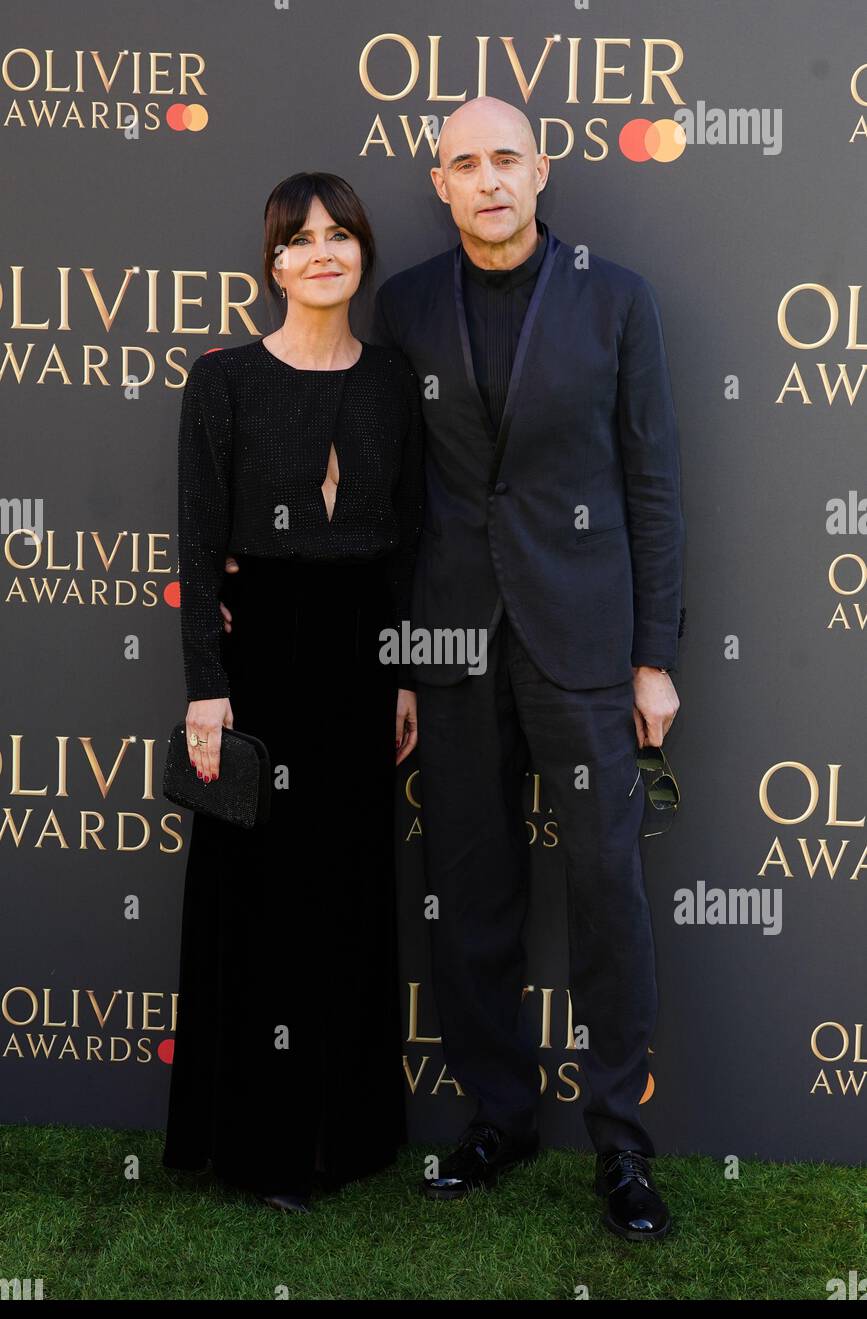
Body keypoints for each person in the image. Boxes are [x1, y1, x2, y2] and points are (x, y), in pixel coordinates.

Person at [368, 97, 686, 1240]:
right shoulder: (402, 305)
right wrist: (403, 659)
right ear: (439, 181)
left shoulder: (617, 297)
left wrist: (656, 656)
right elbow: (396, 502)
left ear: (542, 170)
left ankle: (622, 1143)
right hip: (452, 648)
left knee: (606, 890)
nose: (489, 178)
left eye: (507, 157)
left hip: (587, 644)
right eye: (465, 162)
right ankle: (497, 1117)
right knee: (470, 896)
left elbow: (653, 484)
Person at [161, 172, 424, 1214]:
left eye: (340, 235)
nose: (322, 252)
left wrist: (401, 667)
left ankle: (345, 1135)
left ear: (362, 251)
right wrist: (205, 690)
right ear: (270, 262)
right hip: (259, 656)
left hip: (361, 657)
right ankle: (259, 1143)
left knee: (349, 892)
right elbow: (195, 543)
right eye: (299, 239)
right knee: (260, 899)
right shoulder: (220, 380)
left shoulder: (398, 379)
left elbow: (405, 540)